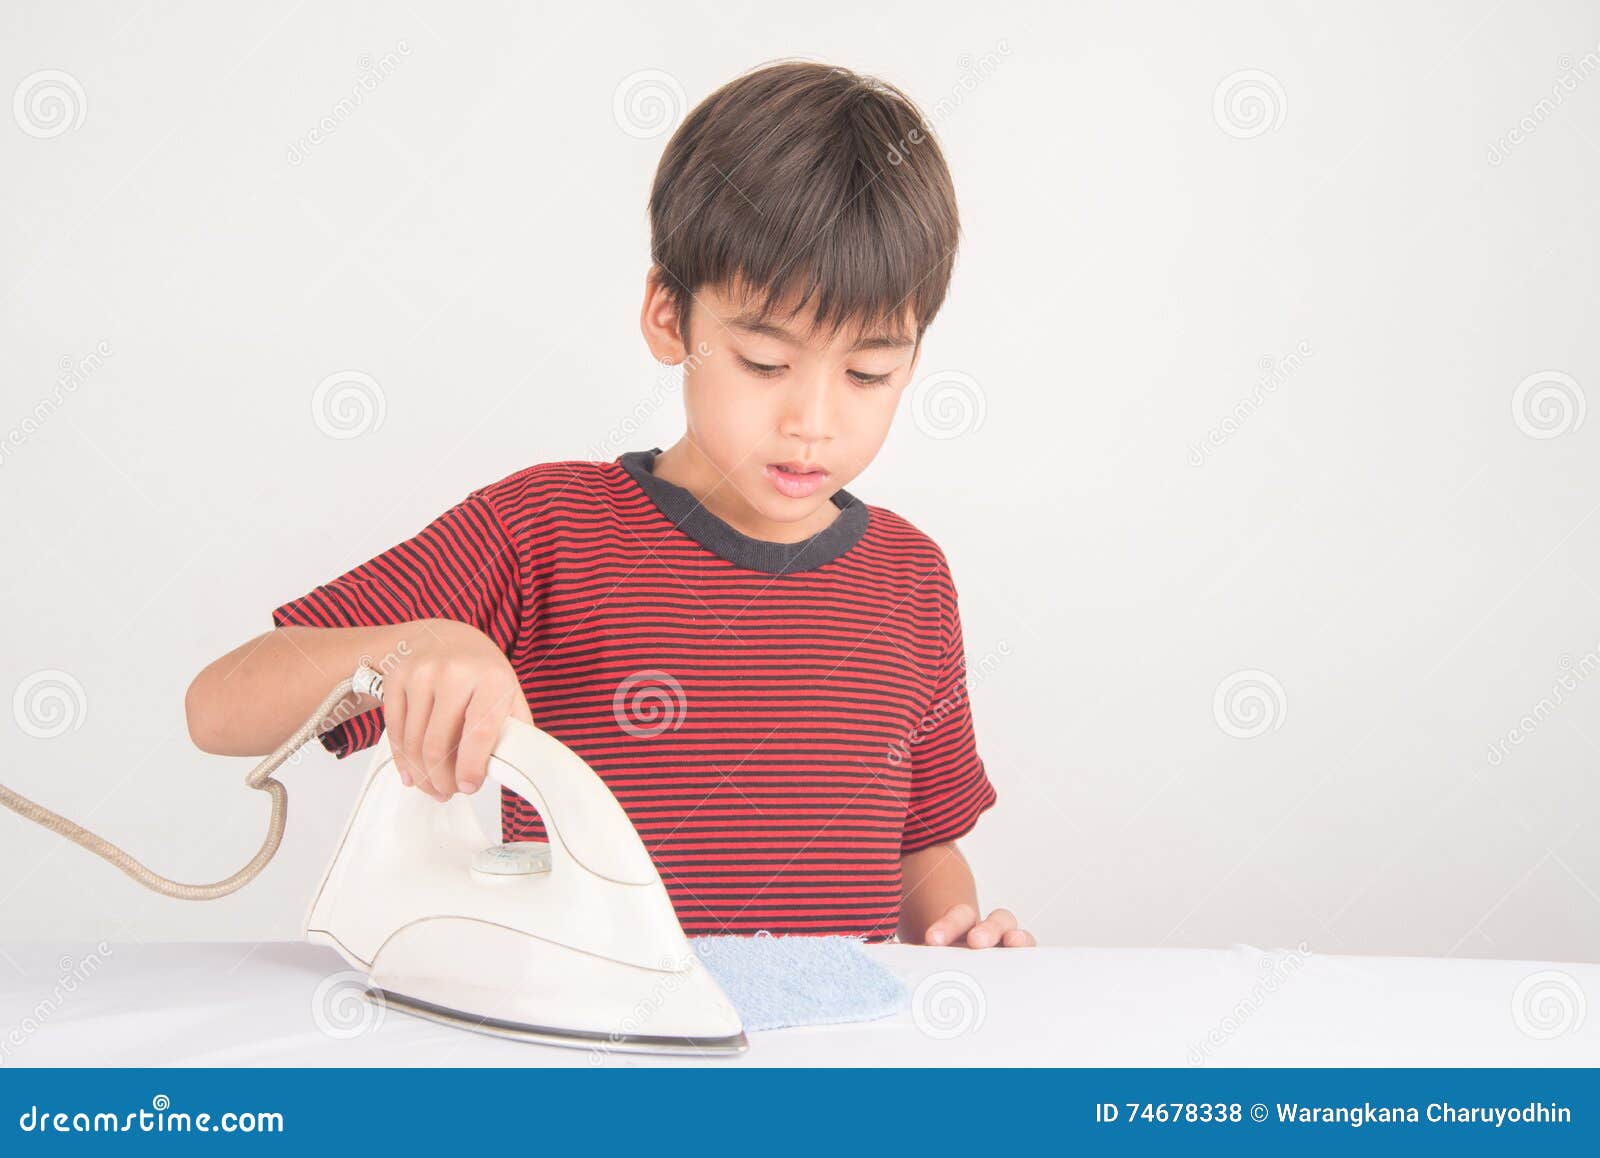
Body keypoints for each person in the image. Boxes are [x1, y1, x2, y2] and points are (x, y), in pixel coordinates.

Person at [186, 60, 1033, 949]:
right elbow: (217, 708)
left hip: (835, 1070)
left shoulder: (911, 580)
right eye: (764, 364)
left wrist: (958, 938)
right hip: (591, 1061)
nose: (811, 424)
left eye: (868, 373)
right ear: (670, 319)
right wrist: (417, 647)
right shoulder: (542, 533)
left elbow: (920, 845)